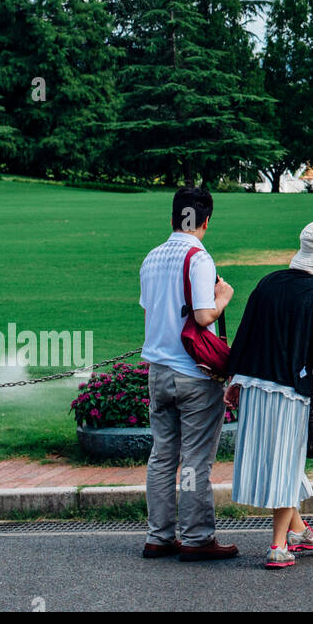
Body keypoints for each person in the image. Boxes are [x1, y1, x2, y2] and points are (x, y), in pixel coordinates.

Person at [227, 220, 313, 568]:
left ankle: (297, 530)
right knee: (286, 463)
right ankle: (277, 545)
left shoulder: (267, 283)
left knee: (279, 459)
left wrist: (235, 381)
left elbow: (245, 335)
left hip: (256, 385)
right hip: (292, 392)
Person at [138, 185, 237, 561]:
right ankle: (196, 536)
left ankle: (158, 536)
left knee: (162, 456)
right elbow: (202, 315)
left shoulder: (152, 258)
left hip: (158, 372)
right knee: (195, 459)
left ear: (173, 217)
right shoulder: (198, 258)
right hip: (193, 374)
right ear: (206, 221)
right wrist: (224, 297)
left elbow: (151, 313)